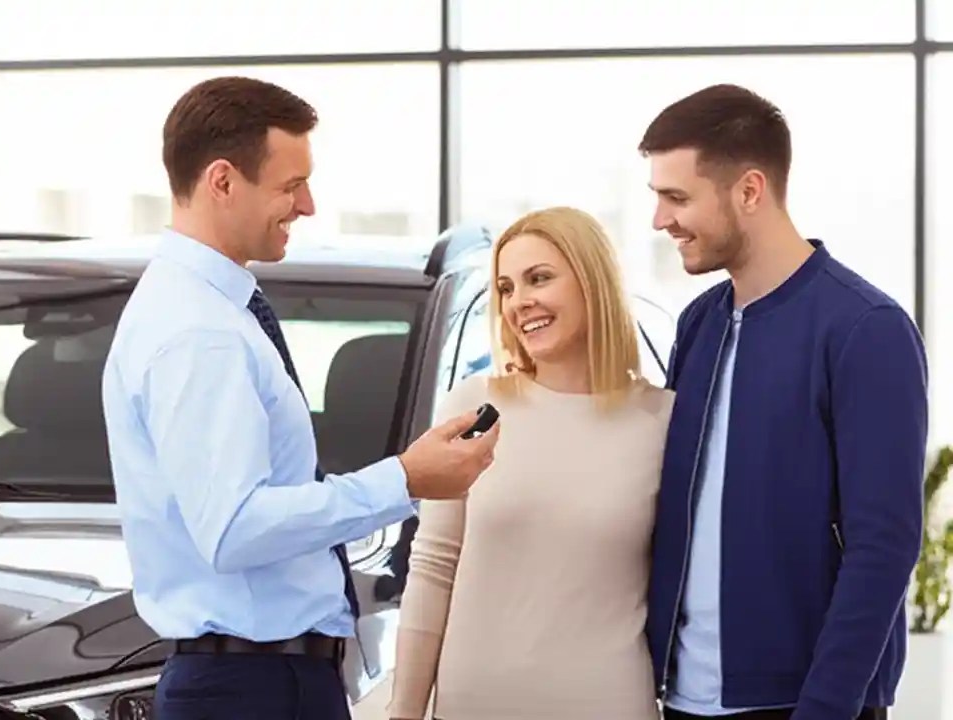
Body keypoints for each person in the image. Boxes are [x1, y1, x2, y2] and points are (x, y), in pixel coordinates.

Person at [100, 75, 501, 720]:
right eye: (291, 185)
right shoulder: (201, 332)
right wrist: (405, 478)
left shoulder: (209, 312)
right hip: (251, 690)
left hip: (260, 680)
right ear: (223, 181)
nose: (308, 206)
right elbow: (233, 530)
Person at [640, 84, 928, 720]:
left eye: (677, 197)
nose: (660, 220)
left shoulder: (865, 328)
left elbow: (884, 545)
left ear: (749, 190)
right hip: (682, 699)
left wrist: (826, 709)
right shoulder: (699, 322)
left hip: (803, 703)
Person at [385, 206, 675, 720]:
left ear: (592, 282)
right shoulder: (477, 408)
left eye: (538, 278)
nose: (520, 302)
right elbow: (433, 568)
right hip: (476, 704)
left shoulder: (663, 419)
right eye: (506, 288)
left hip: (608, 704)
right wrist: (404, 712)